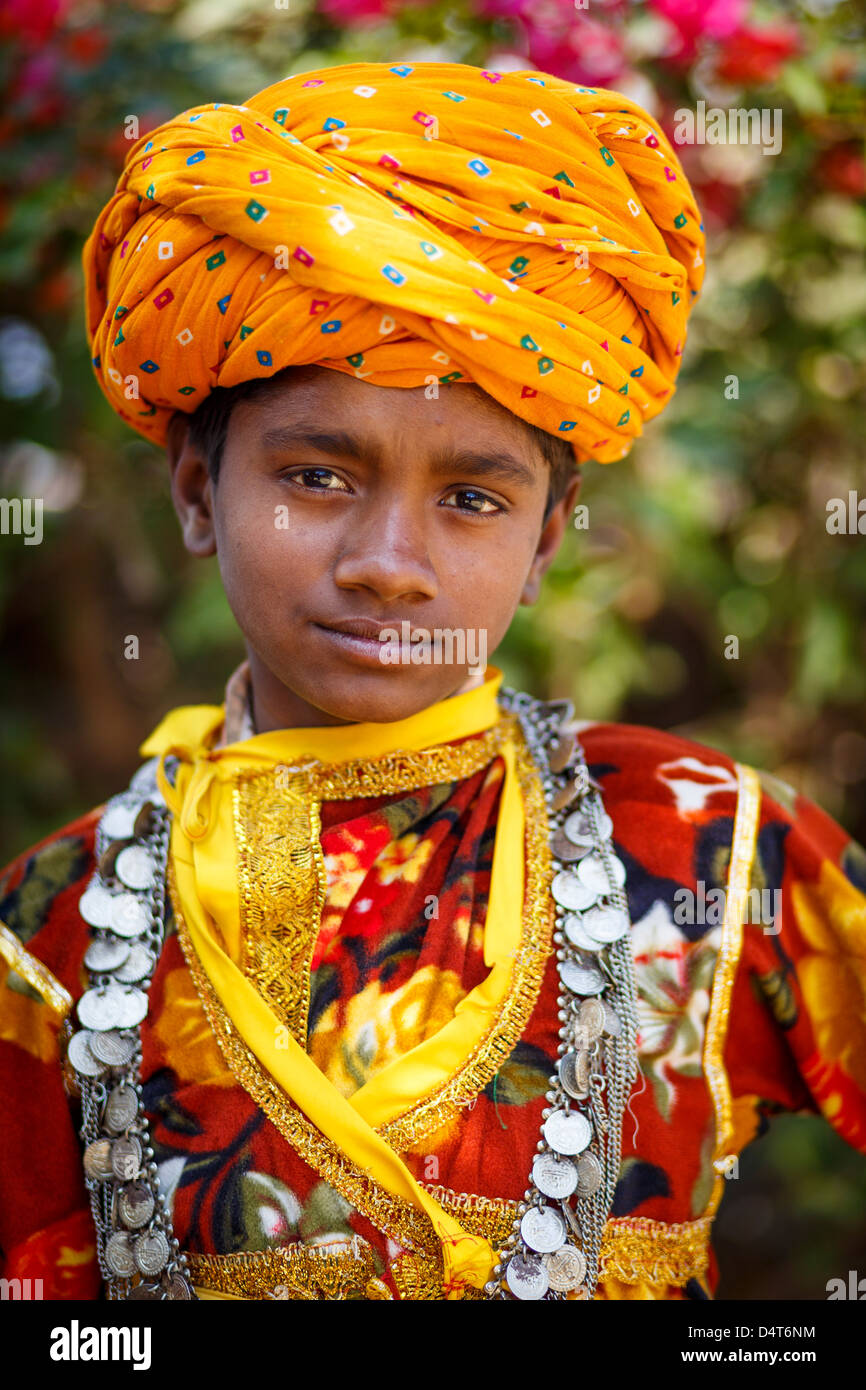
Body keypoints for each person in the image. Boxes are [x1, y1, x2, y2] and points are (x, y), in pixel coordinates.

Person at [0, 59, 863, 1303]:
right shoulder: (54, 931)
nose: (388, 566)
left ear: (548, 536)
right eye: (318, 477)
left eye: (470, 498)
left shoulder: (706, 845)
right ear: (199, 490)